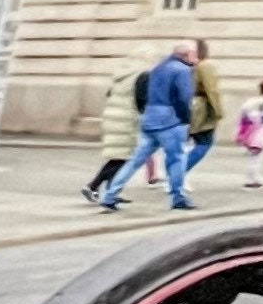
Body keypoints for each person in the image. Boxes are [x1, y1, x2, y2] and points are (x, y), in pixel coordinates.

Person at [102, 41, 199, 212]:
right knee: (176, 159)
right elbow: (184, 98)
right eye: (193, 54)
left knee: (135, 161)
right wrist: (186, 119)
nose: (196, 58)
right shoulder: (182, 70)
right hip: (170, 120)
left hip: (150, 118)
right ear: (186, 55)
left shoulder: (158, 68)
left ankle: (110, 195)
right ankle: (179, 197)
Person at [82, 61, 143, 204]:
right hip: (124, 120)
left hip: (113, 117)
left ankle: (110, 191)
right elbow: (140, 101)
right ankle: (93, 186)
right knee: (122, 157)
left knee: (120, 157)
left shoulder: (118, 81)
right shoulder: (136, 80)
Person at [183, 38, 227, 179]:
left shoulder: (186, 66)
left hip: (185, 107)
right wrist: (219, 111)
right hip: (201, 109)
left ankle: (176, 175)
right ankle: (179, 174)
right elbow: (212, 90)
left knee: (182, 144)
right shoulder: (205, 66)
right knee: (204, 143)